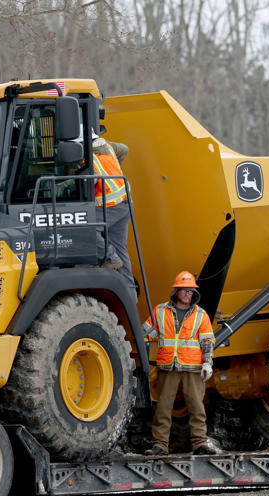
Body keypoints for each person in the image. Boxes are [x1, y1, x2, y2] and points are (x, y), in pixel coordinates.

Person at [142, 271, 218, 455]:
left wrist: (208, 363)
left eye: (190, 291)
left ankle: (200, 444)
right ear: (176, 291)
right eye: (184, 290)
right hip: (168, 366)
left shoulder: (201, 315)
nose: (187, 294)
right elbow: (144, 334)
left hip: (193, 368)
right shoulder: (160, 311)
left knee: (196, 407)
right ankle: (160, 446)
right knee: (163, 407)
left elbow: (207, 341)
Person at [91, 132, 136, 299]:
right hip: (125, 203)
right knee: (121, 250)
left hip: (109, 205)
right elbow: (124, 149)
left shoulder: (85, 157)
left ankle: (109, 257)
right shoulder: (108, 146)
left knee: (84, 229)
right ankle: (130, 295)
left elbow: (90, 181)